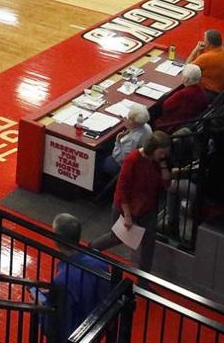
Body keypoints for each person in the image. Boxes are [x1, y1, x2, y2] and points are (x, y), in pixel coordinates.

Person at [90, 131, 171, 270]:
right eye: (161, 152)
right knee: (116, 237)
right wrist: (127, 215)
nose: (164, 156)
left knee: (148, 245)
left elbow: (166, 184)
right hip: (126, 206)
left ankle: (143, 281)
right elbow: (122, 188)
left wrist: (163, 164)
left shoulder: (158, 162)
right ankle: (91, 248)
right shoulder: (133, 159)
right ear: (152, 149)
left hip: (147, 207)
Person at [42, 214, 114, 343]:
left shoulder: (63, 279)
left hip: (74, 335)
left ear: (57, 239)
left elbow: (55, 321)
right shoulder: (98, 260)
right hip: (96, 328)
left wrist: (44, 303)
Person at [100, 103, 152, 179]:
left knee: (101, 157)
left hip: (124, 167)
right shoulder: (147, 127)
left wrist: (118, 140)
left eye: (130, 118)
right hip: (141, 162)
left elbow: (118, 158)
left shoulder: (132, 139)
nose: (127, 119)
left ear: (136, 123)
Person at [154, 64, 210, 131]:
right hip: (190, 121)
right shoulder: (201, 90)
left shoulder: (182, 94)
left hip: (174, 125)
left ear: (186, 79)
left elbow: (166, 105)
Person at [186, 29, 224, 95]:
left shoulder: (207, 57)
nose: (203, 42)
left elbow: (187, 69)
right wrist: (200, 51)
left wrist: (195, 50)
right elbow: (201, 64)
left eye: (204, 40)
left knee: (186, 84)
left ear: (208, 43)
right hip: (223, 90)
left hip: (210, 92)